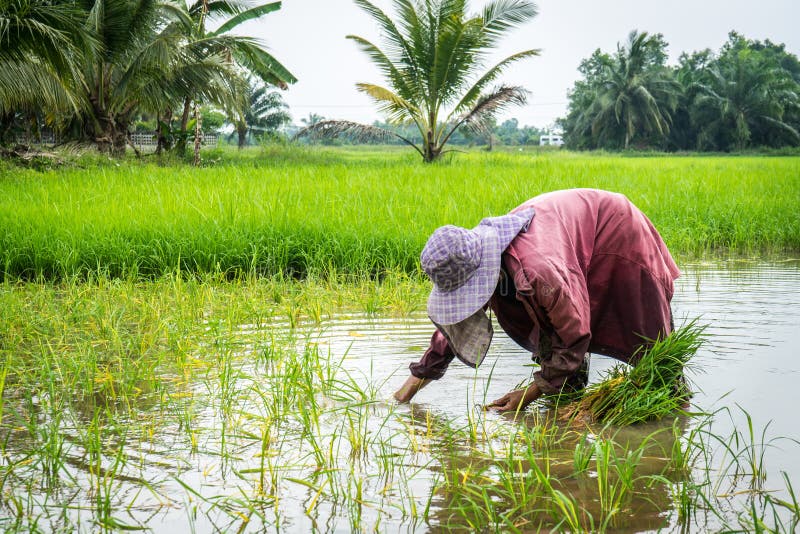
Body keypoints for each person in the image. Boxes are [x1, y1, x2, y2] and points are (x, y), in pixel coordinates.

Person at [393, 188, 680, 412]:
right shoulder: (476, 259)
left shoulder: (538, 271)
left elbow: (574, 335)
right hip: (568, 246)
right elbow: (455, 326)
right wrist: (408, 389)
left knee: (657, 364)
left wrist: (527, 395)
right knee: (563, 378)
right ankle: (566, 408)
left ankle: (674, 420)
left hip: (619, 237)